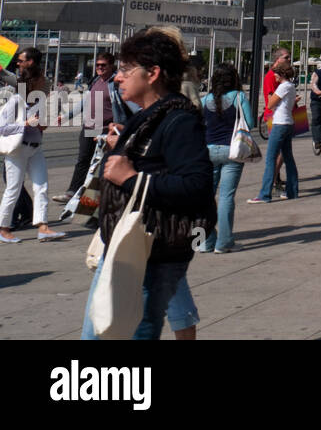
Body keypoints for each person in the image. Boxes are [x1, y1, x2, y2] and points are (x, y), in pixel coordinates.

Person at [80, 28, 214, 339]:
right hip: (126, 247)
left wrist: (130, 177)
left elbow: (197, 186)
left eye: (125, 69)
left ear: (152, 73)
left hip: (148, 251)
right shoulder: (147, 116)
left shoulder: (180, 120)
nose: (116, 77)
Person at [0, 48, 64, 243]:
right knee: (13, 189)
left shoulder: (40, 99)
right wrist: (25, 124)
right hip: (18, 149)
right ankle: (3, 228)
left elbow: (41, 124)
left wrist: (44, 122)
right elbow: (2, 127)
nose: (43, 86)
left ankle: (43, 227)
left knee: (41, 186)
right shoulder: (16, 100)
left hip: (35, 147)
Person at [199, 62, 256, 253]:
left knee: (206, 197)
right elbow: (249, 122)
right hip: (232, 151)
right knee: (226, 196)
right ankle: (224, 243)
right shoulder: (239, 97)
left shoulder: (205, 100)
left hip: (207, 151)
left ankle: (204, 242)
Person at [55, 51, 115, 204]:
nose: (100, 68)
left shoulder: (116, 83)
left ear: (112, 66)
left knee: (101, 164)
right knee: (83, 160)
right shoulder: (95, 80)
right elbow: (84, 102)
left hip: (105, 129)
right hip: (89, 126)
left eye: (103, 65)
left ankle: (99, 198)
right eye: (98, 65)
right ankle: (72, 192)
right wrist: (67, 116)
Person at [249, 58, 299, 203]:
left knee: (271, 158)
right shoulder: (291, 86)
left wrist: (271, 96)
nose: (275, 76)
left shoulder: (283, 87)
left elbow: (270, 104)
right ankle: (292, 191)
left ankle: (264, 194)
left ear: (282, 74)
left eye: (276, 73)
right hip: (288, 122)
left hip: (280, 124)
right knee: (288, 158)